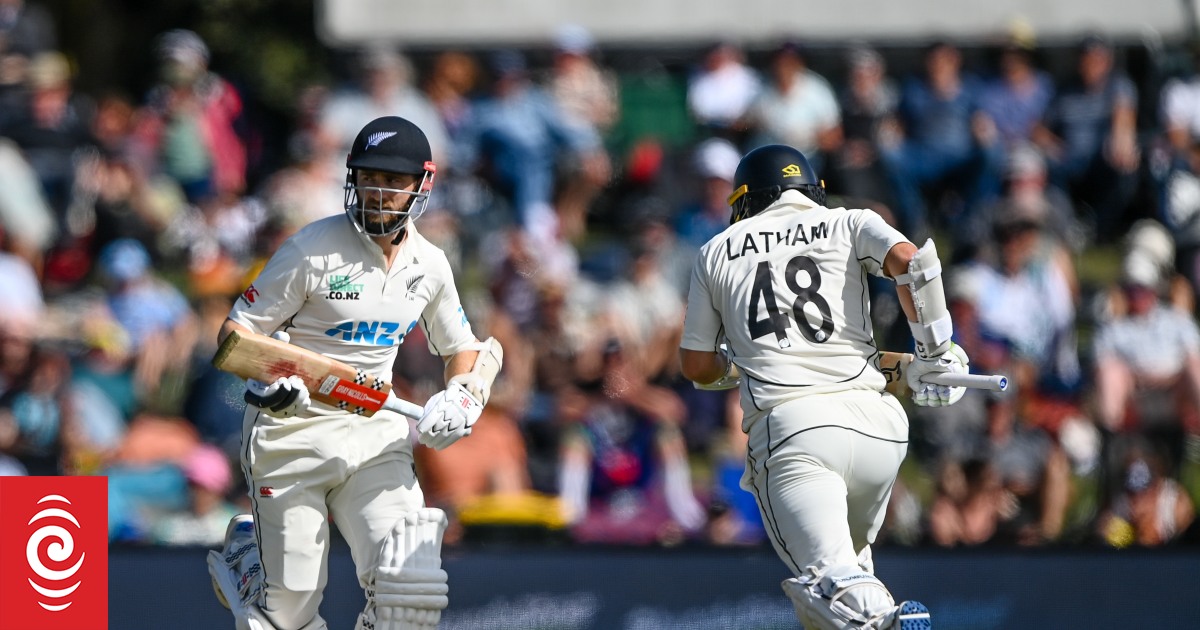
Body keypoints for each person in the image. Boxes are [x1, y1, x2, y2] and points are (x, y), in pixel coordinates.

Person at [206, 116, 503, 630]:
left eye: (392, 180)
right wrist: (270, 381)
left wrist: (463, 396)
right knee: (288, 616)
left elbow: (464, 348)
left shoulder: (430, 265)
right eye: (368, 178)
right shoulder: (310, 250)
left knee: (409, 588)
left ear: (423, 184)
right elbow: (237, 333)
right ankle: (249, 561)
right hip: (290, 433)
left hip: (375, 433)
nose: (377, 192)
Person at [679, 144, 971, 629]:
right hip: (880, 430)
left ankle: (884, 619)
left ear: (745, 199)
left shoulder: (716, 251)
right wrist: (932, 353)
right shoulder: (849, 221)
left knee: (828, 585)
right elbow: (913, 262)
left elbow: (697, 365)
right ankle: (876, 610)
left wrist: (742, 365)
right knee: (847, 576)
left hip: (795, 434)